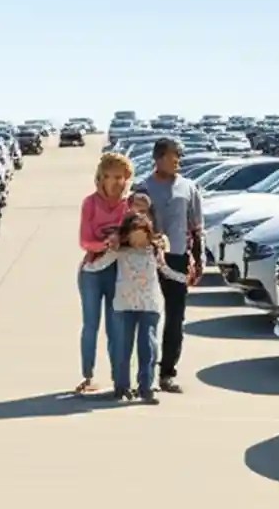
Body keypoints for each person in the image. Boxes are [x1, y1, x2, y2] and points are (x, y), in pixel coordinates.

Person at [134, 137, 204, 393]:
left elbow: (197, 228)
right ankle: (145, 373)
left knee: (175, 317)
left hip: (177, 260)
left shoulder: (189, 188)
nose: (178, 160)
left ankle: (167, 373)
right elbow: (134, 223)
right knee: (147, 316)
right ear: (159, 157)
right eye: (175, 155)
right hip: (148, 260)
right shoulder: (143, 188)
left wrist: (198, 261)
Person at [109, 213, 189, 402]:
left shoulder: (153, 251)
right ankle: (122, 387)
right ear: (126, 236)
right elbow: (100, 264)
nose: (138, 242)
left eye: (142, 237)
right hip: (124, 304)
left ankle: (146, 387)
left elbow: (164, 269)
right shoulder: (119, 252)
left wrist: (184, 279)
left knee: (149, 347)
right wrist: (88, 267)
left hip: (149, 305)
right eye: (134, 237)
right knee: (123, 348)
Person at [74, 152, 133, 395]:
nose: (116, 182)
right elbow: (84, 241)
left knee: (115, 327)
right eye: (111, 177)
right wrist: (106, 244)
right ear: (102, 177)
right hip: (92, 271)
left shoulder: (129, 205)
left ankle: (117, 376)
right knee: (91, 324)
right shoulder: (90, 202)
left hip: (118, 272)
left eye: (121, 177)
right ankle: (87, 376)